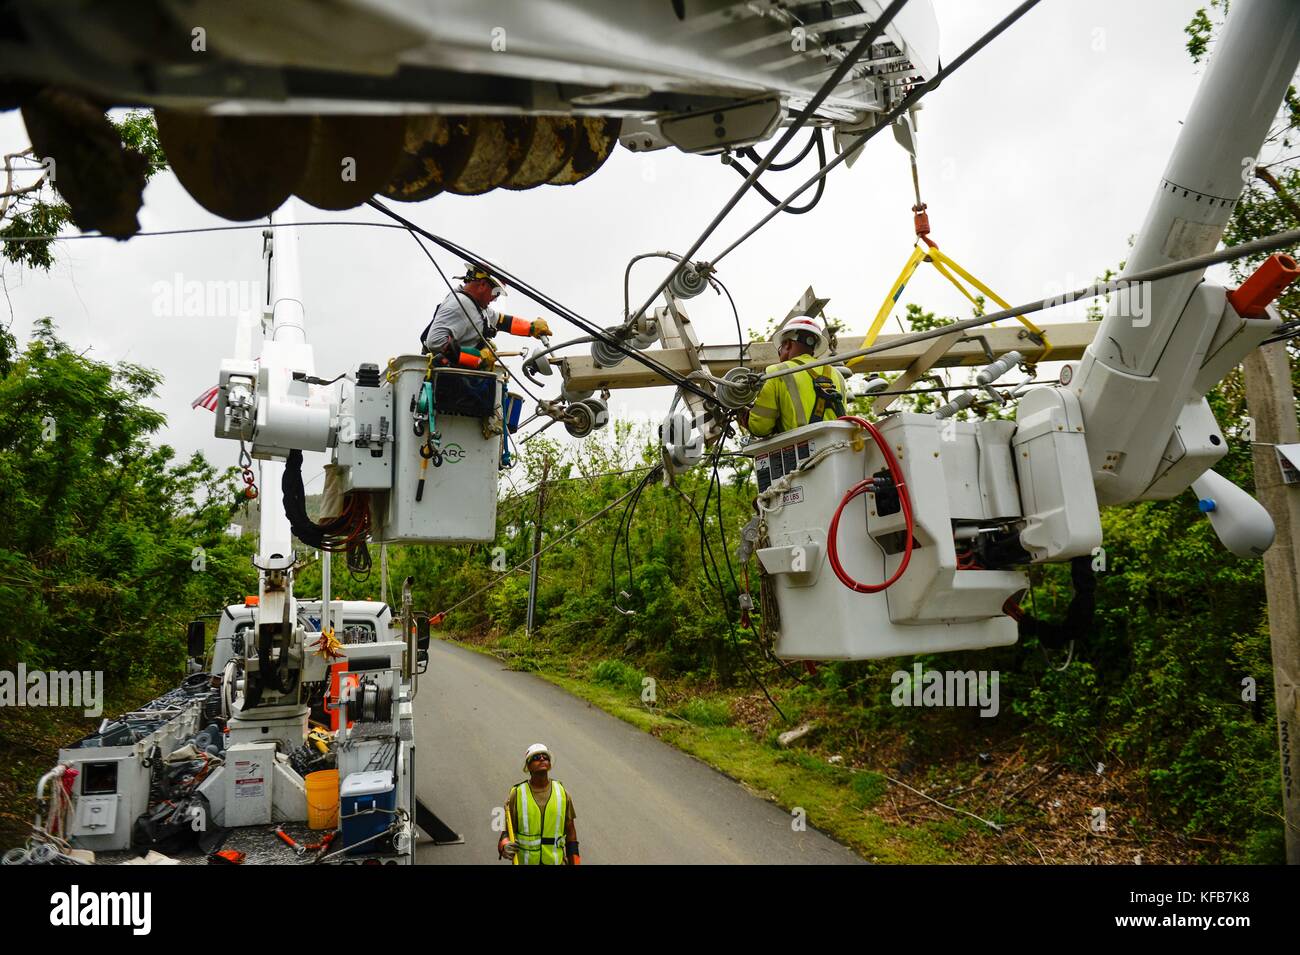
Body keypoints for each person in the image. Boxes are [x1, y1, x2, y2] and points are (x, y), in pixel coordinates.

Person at [420, 264, 551, 369]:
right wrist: (478, 358)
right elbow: (435, 342)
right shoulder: (460, 305)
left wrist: (531, 328)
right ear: (482, 284)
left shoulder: (476, 307)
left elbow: (501, 321)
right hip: (446, 383)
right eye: (497, 292)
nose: (495, 298)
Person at [739, 316, 847, 438]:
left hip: (803, 451)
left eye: (780, 349)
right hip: (838, 448)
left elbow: (760, 428)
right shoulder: (838, 375)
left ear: (788, 344)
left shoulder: (776, 372)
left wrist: (742, 413)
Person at [497, 743, 580, 865]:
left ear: (550, 764)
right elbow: (505, 829)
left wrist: (575, 862)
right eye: (536, 758)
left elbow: (571, 832)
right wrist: (504, 845)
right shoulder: (517, 794)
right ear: (528, 767)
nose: (542, 759)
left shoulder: (562, 793)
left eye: (545, 757)